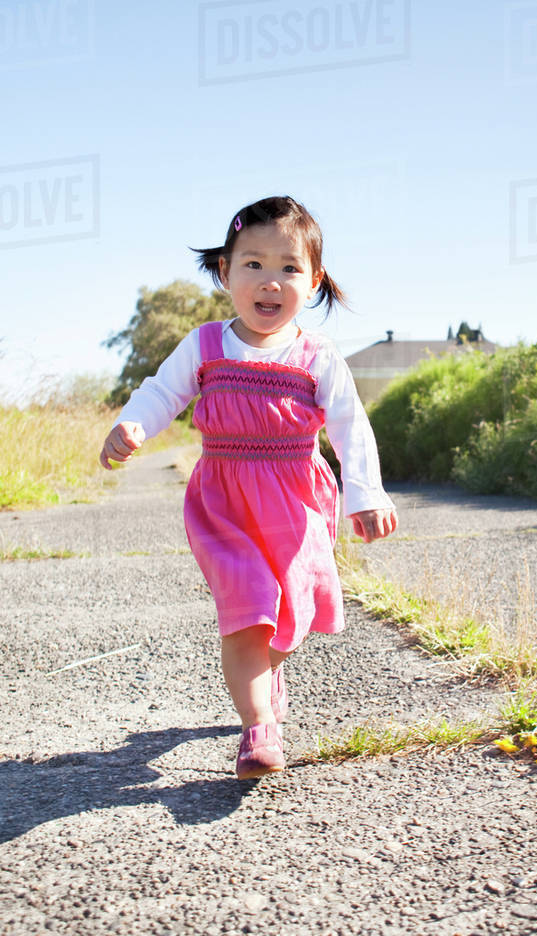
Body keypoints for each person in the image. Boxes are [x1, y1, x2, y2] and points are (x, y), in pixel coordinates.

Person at [99, 196, 397, 779]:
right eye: (253, 264)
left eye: (289, 267)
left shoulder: (318, 356)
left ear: (313, 283)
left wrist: (366, 492)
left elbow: (349, 425)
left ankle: (270, 673)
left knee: (290, 614)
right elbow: (163, 391)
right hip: (223, 501)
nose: (271, 280)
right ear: (225, 273)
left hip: (297, 501)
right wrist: (135, 423)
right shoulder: (206, 345)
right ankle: (258, 728)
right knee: (247, 613)